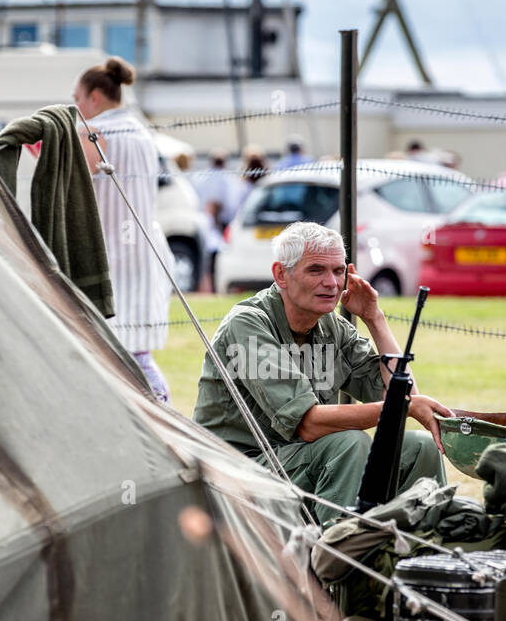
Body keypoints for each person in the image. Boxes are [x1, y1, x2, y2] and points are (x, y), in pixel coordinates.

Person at [192, 222, 451, 526]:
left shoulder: (332, 327)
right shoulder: (249, 323)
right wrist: (403, 407)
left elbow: (400, 395)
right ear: (281, 275)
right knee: (349, 445)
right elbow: (310, 424)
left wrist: (374, 319)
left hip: (297, 458)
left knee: (420, 447)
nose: (331, 282)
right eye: (316, 270)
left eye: (339, 271)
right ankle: (339, 563)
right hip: (235, 471)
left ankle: (419, 555)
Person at [74, 56, 175, 403]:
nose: (77, 106)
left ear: (95, 97)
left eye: (78, 98)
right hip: (144, 248)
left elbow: (73, 180)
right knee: (137, 349)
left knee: (111, 346)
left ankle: (161, 410)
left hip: (111, 251)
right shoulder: (141, 132)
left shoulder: (96, 132)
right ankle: (161, 410)